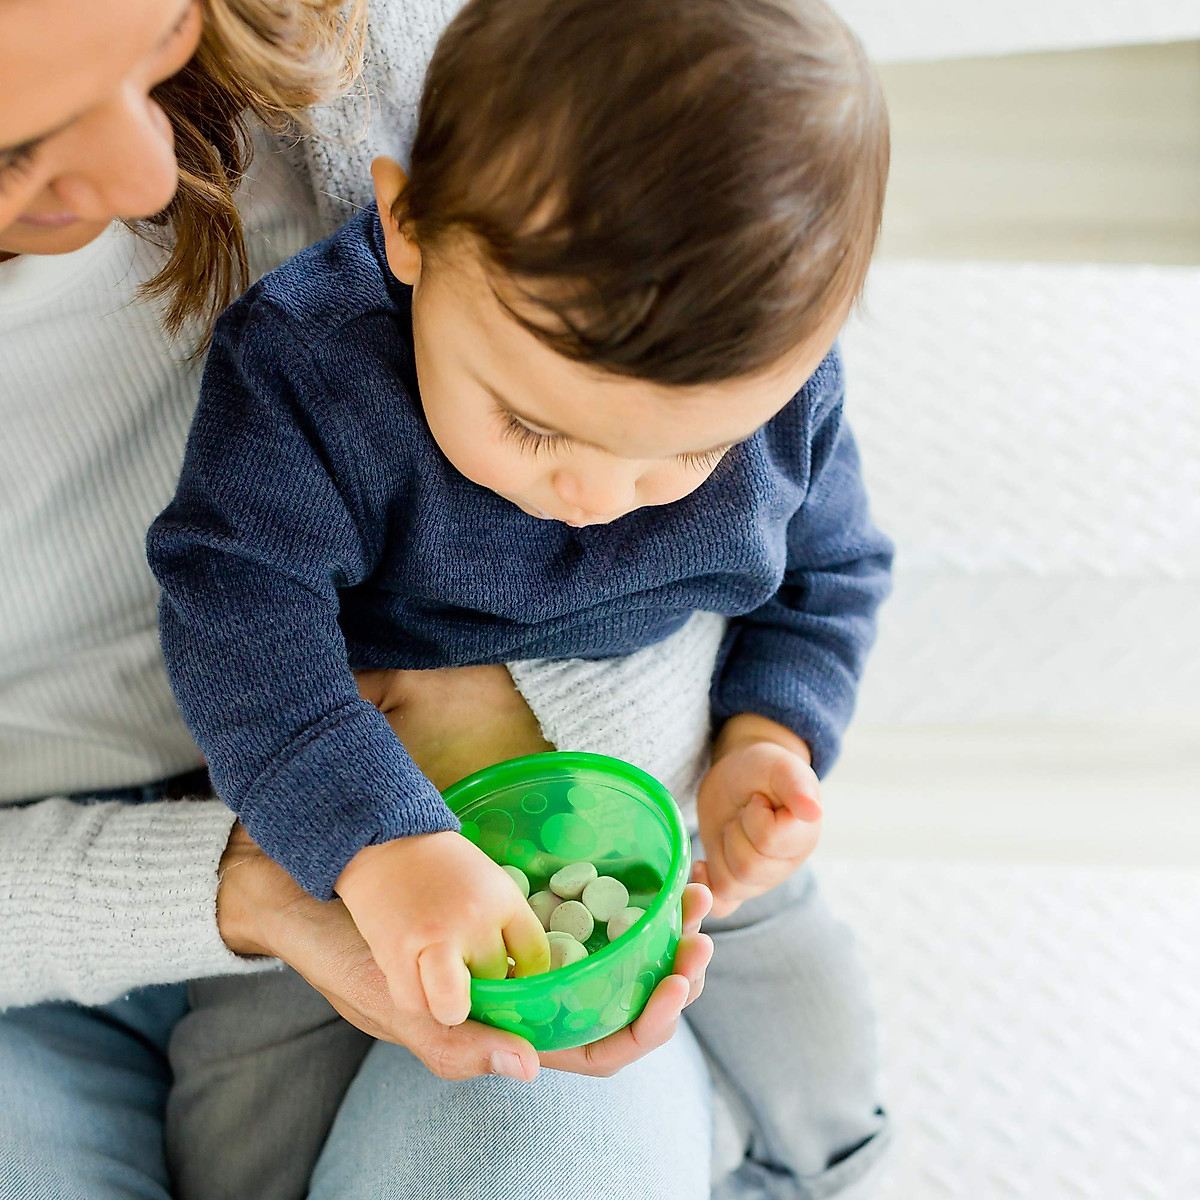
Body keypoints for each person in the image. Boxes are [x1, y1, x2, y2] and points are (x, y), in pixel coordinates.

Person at [147, 0, 893, 1195]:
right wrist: (379, 844)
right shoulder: (310, 368)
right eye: (533, 423)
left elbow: (832, 573)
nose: (596, 494)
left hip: (681, 821)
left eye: (679, 459)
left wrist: (770, 736)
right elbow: (235, 619)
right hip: (367, 815)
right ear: (407, 227)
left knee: (822, 1053)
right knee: (246, 1109)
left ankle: (798, 1172)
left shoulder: (771, 391)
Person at [0, 2, 722, 1198]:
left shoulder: (357, 41)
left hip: (468, 821)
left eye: (161, 42)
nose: (145, 179)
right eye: (16, 147)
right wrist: (243, 882)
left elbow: (723, 438)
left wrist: (523, 746)